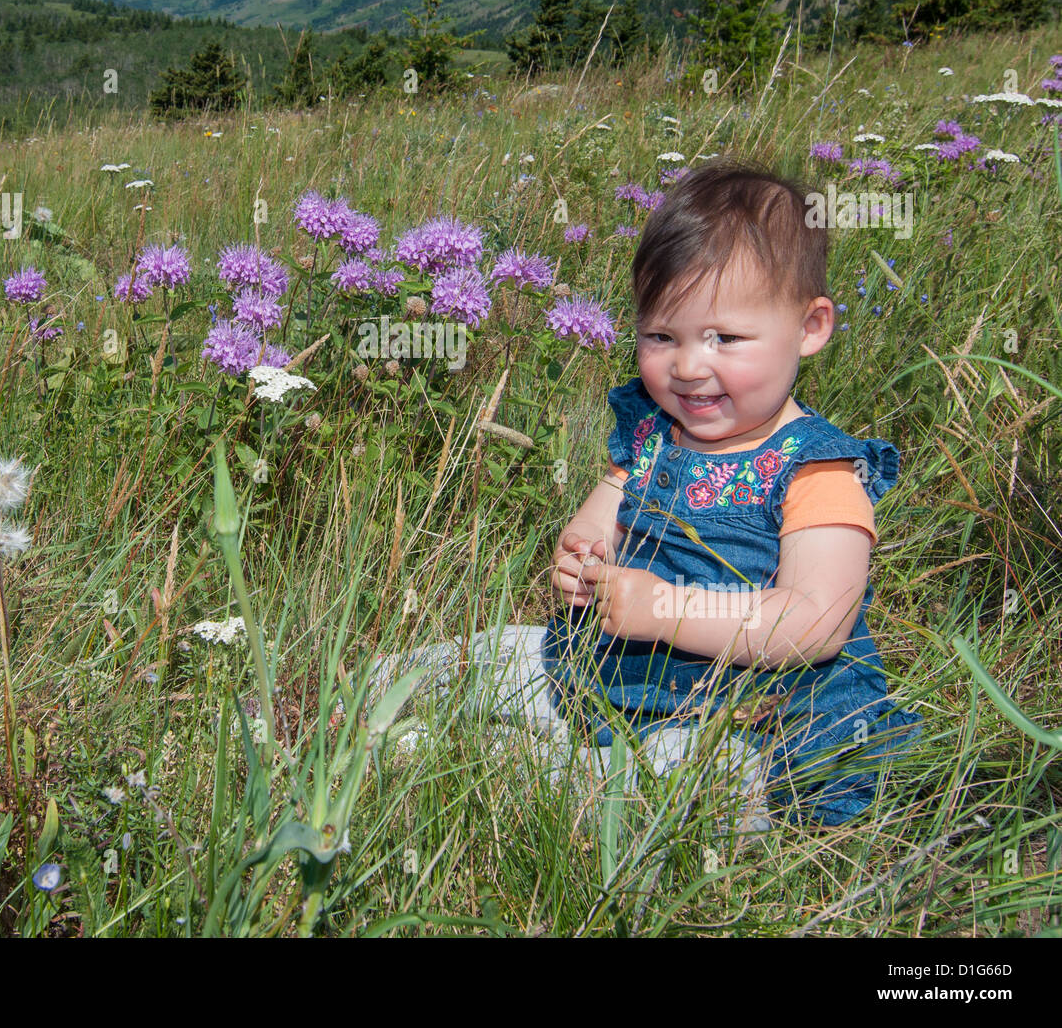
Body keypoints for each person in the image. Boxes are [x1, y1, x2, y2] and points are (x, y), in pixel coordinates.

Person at [376, 156, 921, 828]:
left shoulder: (818, 470)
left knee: (676, 779)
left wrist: (663, 609)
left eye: (726, 338)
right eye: (661, 336)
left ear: (810, 328)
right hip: (611, 675)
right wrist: (581, 555)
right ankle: (370, 697)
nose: (689, 367)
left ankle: (496, 769)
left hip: (744, 721)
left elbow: (814, 623)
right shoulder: (653, 434)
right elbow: (603, 516)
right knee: (494, 651)